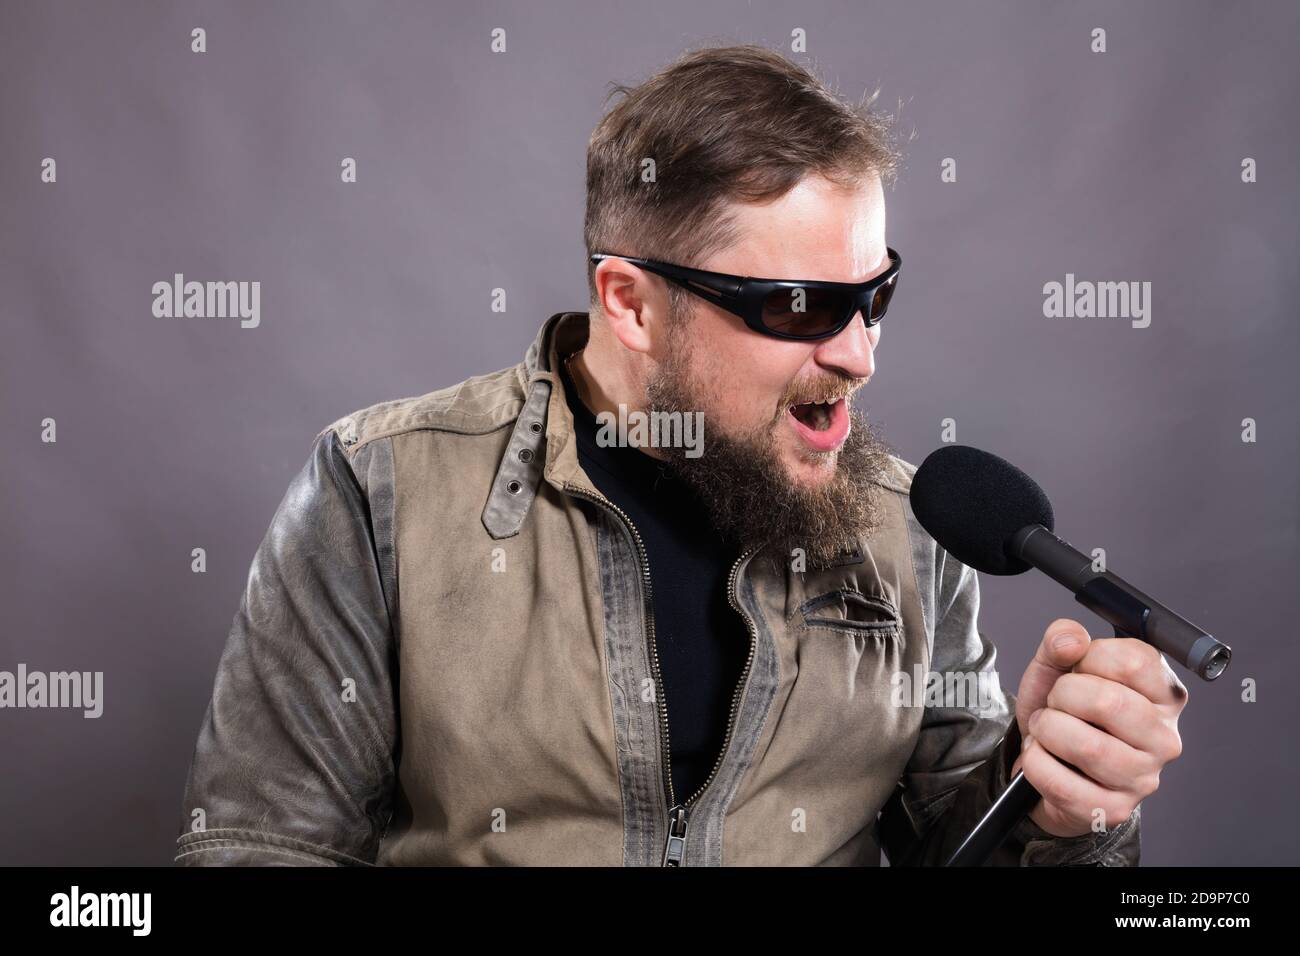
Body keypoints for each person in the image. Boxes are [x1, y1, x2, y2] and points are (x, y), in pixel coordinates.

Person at [176, 44, 1185, 866]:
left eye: (872, 294)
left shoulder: (907, 524)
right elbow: (257, 849)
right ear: (631, 302)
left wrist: (1051, 802)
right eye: (797, 306)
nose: (860, 352)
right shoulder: (380, 487)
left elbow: (955, 849)